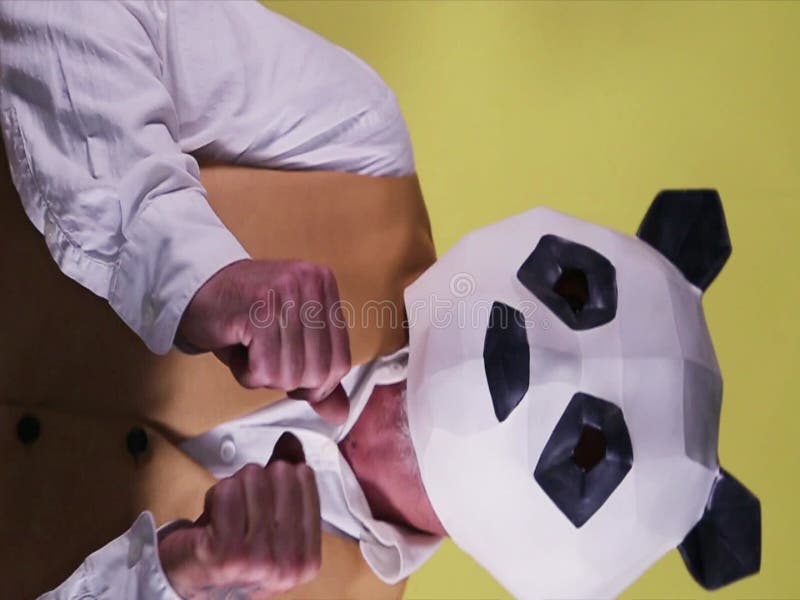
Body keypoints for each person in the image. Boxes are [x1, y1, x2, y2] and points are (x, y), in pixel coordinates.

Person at [0, 1, 760, 599]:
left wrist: (173, 579)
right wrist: (180, 265)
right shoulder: (352, 151)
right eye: (576, 296)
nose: (544, 362)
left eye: (588, 455)